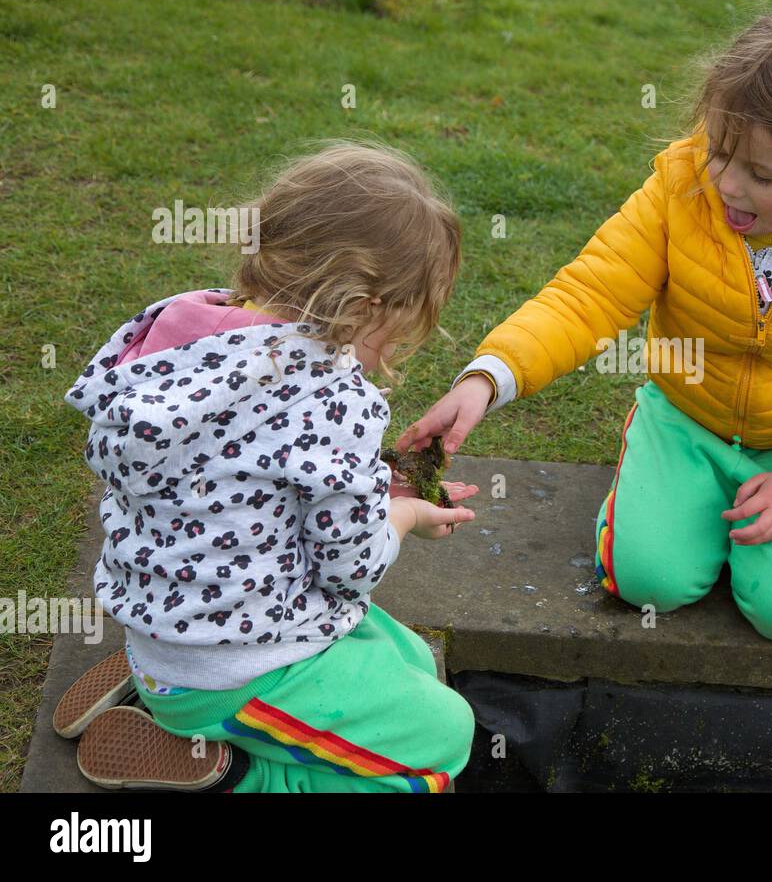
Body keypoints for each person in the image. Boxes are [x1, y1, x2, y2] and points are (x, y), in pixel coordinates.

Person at [397, 3, 772, 643]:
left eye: (761, 175)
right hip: (688, 418)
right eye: (720, 151)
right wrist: (488, 378)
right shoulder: (682, 188)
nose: (725, 184)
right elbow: (590, 294)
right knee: (648, 582)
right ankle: (656, 472)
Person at [60, 140, 478, 791]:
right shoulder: (327, 397)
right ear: (365, 307)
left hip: (169, 623)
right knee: (444, 737)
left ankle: (158, 688)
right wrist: (407, 513)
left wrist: (371, 484)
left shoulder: (181, 325)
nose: (388, 351)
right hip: (235, 669)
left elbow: (244, 478)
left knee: (413, 660)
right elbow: (350, 568)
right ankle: (232, 772)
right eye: (395, 332)